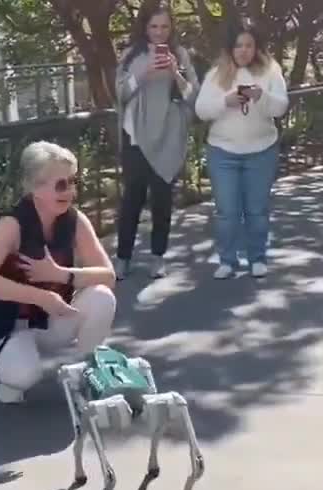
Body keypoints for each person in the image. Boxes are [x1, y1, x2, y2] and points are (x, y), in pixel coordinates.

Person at [0, 141, 117, 404]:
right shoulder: (10, 225)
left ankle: (88, 374)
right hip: (11, 325)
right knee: (22, 377)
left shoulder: (75, 220)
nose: (70, 191)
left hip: (53, 319)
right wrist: (40, 297)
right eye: (61, 184)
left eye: (73, 182)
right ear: (35, 187)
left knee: (102, 297)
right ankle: (9, 369)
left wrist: (61, 274)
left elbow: (108, 276)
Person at [194, 20, 288, 279]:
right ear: (230, 48)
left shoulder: (270, 71)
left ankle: (257, 258)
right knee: (227, 211)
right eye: (238, 46)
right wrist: (225, 101)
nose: (243, 50)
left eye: (249, 45)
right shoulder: (216, 74)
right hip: (223, 152)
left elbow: (281, 107)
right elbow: (201, 110)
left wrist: (262, 97)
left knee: (257, 210)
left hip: (262, 150)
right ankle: (227, 259)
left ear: (256, 48)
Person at [113, 2, 198, 281]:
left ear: (171, 27)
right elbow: (121, 95)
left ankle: (158, 256)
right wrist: (142, 74)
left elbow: (193, 96)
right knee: (132, 201)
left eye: (164, 26)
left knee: (162, 201)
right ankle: (123, 257)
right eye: (153, 26)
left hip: (167, 136)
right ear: (144, 27)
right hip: (136, 138)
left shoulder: (180, 54)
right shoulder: (130, 55)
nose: (159, 32)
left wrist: (175, 72)